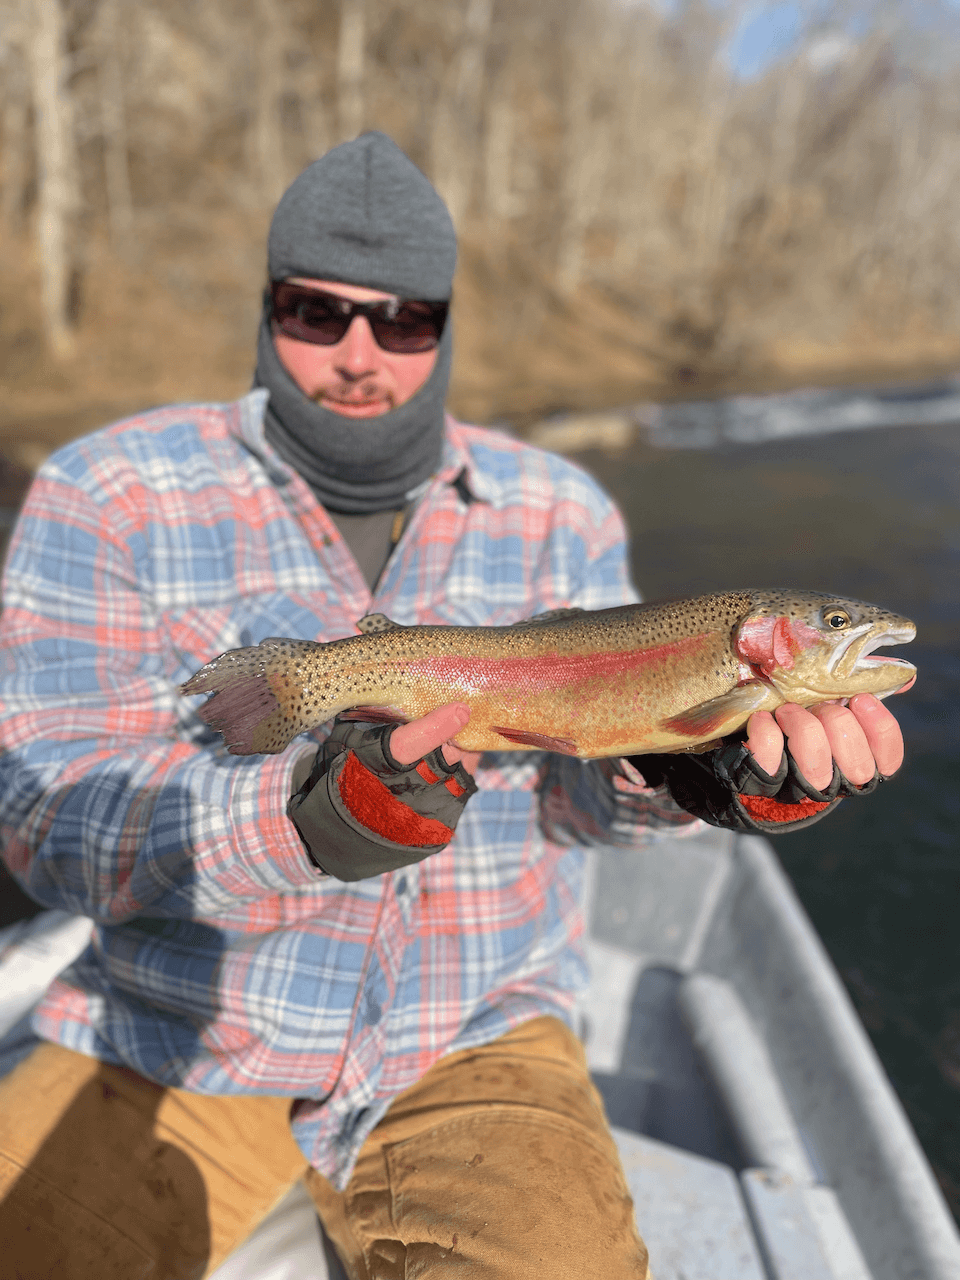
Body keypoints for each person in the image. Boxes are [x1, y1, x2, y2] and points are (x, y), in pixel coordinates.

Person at [0, 132, 905, 1279]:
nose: (360, 352)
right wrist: (302, 821)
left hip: (474, 1038)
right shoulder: (107, 490)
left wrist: (702, 775)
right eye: (317, 311)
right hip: (172, 1031)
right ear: (268, 308)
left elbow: (582, 801)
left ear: (444, 324)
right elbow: (40, 822)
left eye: (404, 319)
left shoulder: (561, 507)